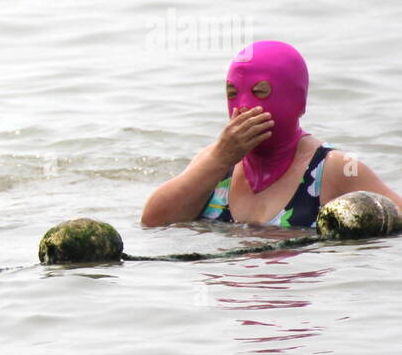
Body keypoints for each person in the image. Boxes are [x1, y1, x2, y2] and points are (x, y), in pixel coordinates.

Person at [142, 40, 402, 228]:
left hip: (296, 289)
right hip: (233, 294)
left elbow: (395, 216)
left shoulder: (334, 168)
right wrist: (220, 160)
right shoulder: (215, 163)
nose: (242, 105)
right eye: (232, 94)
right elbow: (153, 222)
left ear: (297, 101)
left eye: (260, 92)